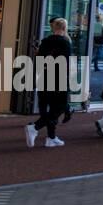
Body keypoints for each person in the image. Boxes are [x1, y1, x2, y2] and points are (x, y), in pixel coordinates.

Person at [25, 18, 72, 149]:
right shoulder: (65, 42)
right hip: (58, 78)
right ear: (64, 28)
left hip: (44, 76)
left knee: (50, 107)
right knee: (60, 106)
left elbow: (40, 59)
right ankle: (35, 127)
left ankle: (51, 138)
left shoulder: (45, 41)